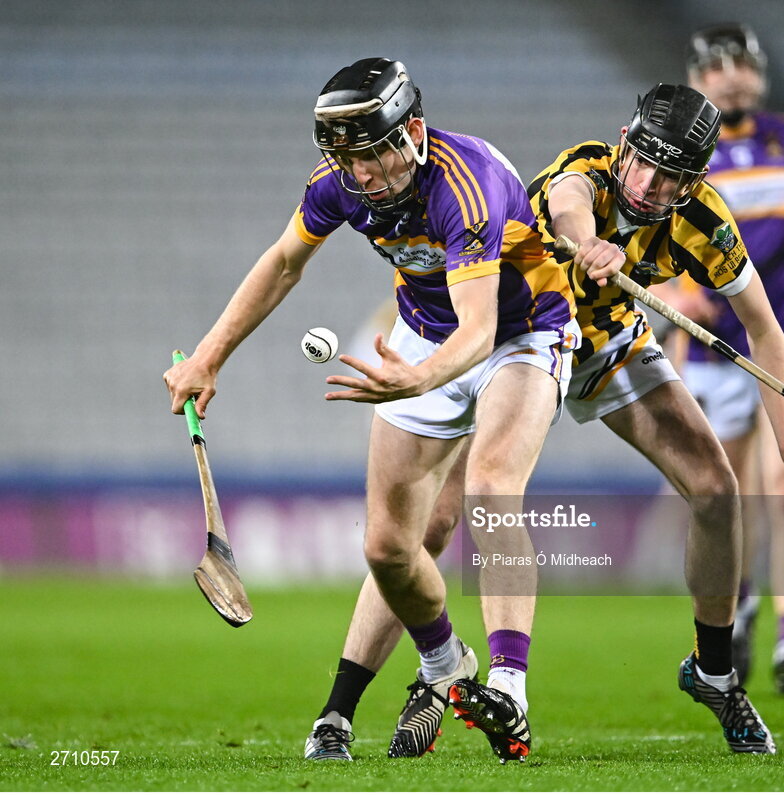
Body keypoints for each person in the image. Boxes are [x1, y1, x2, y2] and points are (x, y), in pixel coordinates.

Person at [316, 82, 784, 759]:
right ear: (624, 146)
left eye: (673, 177)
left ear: (694, 183)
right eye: (644, 163)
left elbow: (765, 332)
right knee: (434, 523)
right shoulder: (584, 171)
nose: (651, 186)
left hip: (608, 343)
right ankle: (367, 697)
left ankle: (713, 671)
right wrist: (589, 241)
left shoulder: (706, 223)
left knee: (716, 488)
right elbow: (566, 203)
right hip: (516, 336)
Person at [162, 57, 579, 764]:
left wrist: (416, 380)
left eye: (377, 152)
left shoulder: (463, 185)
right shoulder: (339, 185)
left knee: (489, 487)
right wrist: (208, 356)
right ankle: (446, 663)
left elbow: (479, 331)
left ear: (411, 129)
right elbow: (283, 262)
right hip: (422, 331)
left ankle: (507, 688)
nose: (365, 174)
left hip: (522, 329)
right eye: (348, 158)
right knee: (388, 546)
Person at [653, 23, 784, 695]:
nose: (733, 75)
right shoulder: (678, 152)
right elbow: (644, 243)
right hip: (713, 352)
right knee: (726, 496)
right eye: (718, 66)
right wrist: (681, 289)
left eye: (743, 63)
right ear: (696, 76)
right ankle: (737, 609)